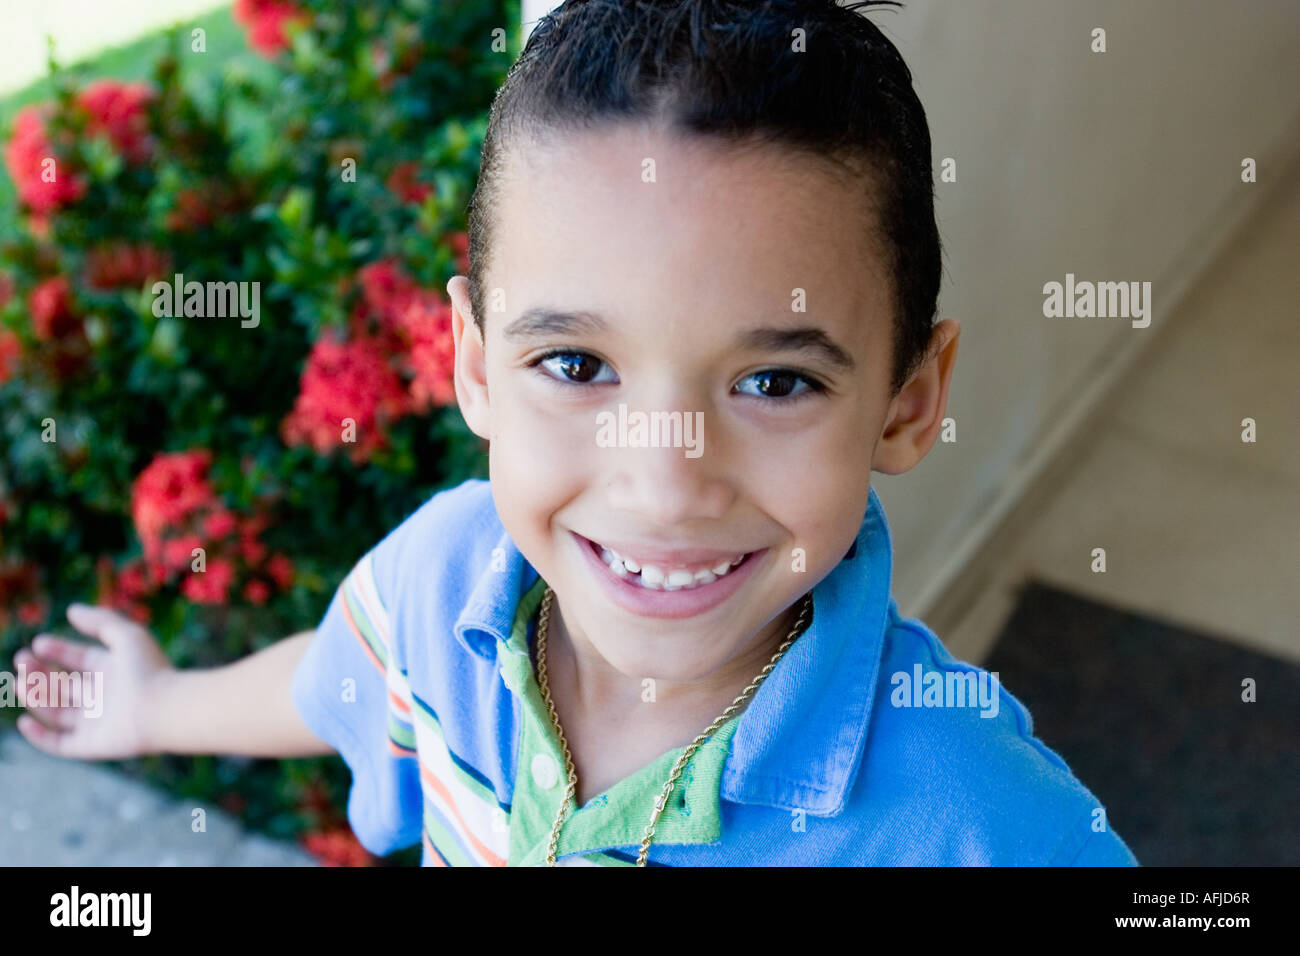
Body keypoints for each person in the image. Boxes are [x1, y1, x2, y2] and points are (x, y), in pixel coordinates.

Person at [12, 0, 1138, 866]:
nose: (664, 482)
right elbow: (346, 677)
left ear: (907, 399)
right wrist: (151, 703)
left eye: (776, 381)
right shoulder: (443, 579)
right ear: (471, 363)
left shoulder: (979, 818)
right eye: (576, 365)